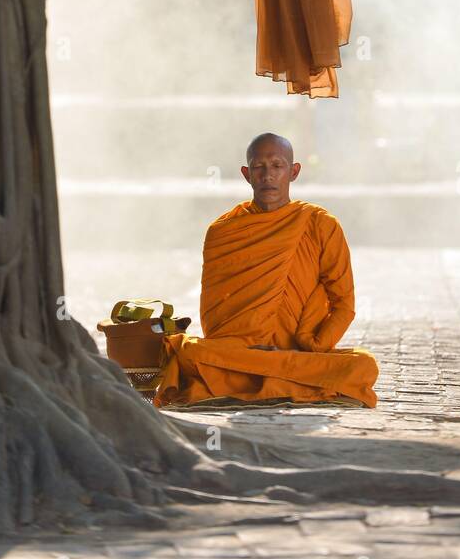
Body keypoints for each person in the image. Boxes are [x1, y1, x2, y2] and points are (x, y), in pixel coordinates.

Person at [153, 133, 378, 408]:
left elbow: (344, 303)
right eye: (259, 167)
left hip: (297, 352)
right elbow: (213, 310)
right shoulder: (223, 231)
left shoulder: (320, 224)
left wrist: (314, 347)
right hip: (241, 352)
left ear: (293, 172)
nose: (268, 175)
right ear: (247, 174)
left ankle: (256, 377)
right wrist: (239, 347)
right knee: (189, 353)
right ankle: (281, 379)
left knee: (363, 365)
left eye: (277, 166)